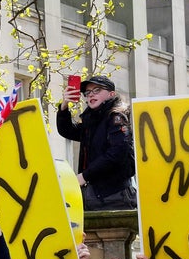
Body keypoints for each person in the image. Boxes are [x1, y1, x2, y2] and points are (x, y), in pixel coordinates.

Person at [56, 75, 135, 210]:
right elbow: (68, 131)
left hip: (114, 194)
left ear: (111, 94)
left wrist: (84, 176)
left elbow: (117, 153)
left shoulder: (116, 117)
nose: (90, 95)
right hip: (95, 193)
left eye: (97, 90)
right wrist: (64, 107)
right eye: (87, 92)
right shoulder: (92, 119)